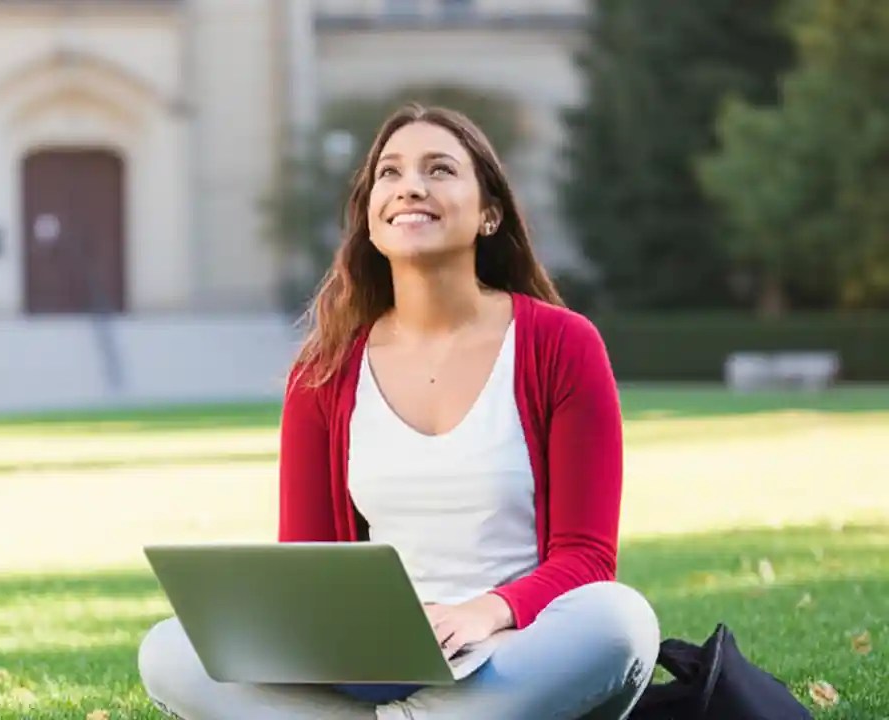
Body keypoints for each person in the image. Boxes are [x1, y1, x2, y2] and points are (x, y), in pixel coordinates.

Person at [136, 103, 661, 719]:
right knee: (168, 651)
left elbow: (587, 557)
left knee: (619, 620)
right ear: (369, 214)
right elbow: (309, 563)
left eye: (440, 169)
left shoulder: (561, 345)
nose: (410, 185)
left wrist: (483, 613)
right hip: (372, 662)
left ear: (489, 214)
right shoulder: (324, 371)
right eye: (390, 173)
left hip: (516, 650)